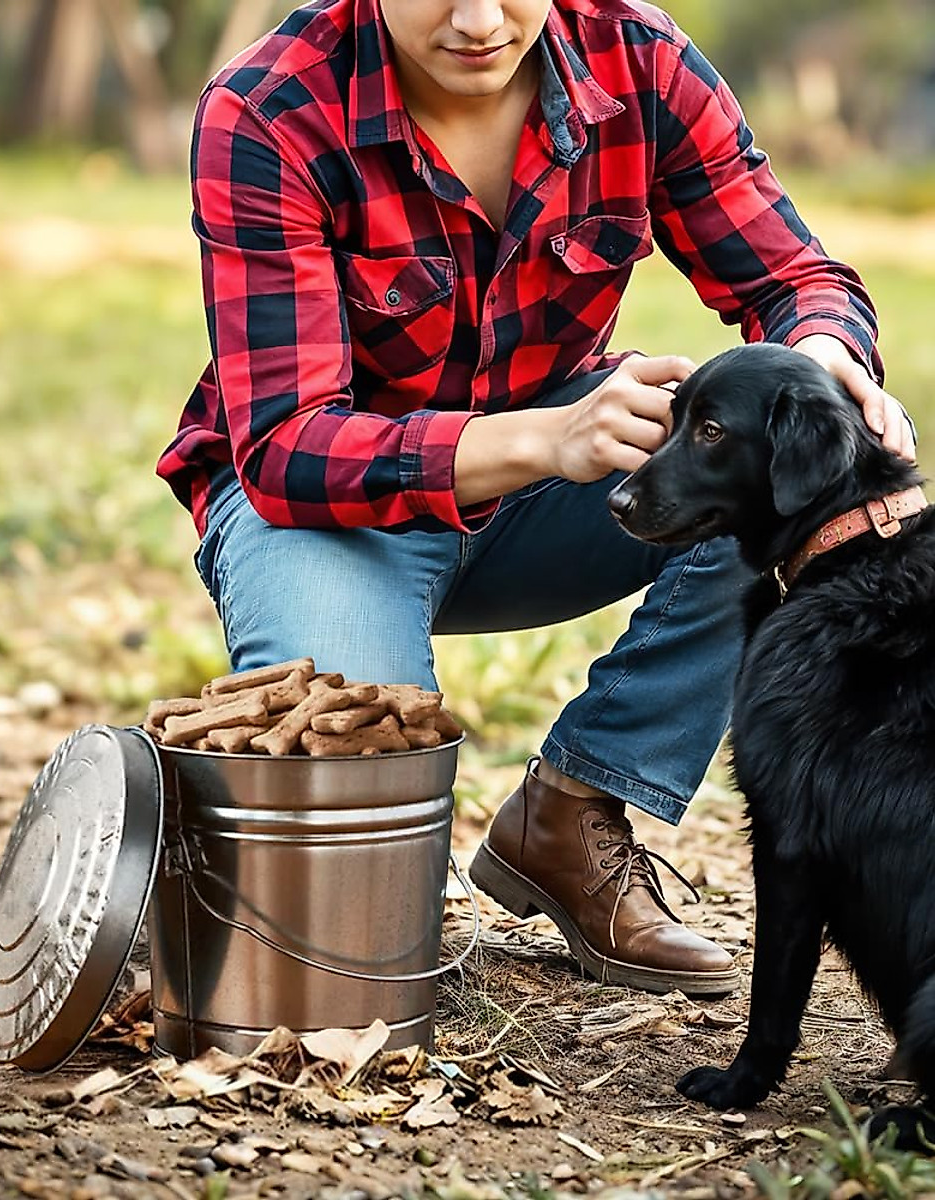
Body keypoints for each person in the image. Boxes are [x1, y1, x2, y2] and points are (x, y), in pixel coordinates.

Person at [157, 0, 916, 996]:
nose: (479, 19)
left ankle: (570, 813)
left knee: (810, 497)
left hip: (557, 491)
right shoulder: (270, 108)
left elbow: (797, 276)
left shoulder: (636, 60)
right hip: (327, 513)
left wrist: (822, 365)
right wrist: (546, 440)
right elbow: (287, 446)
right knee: (346, 949)